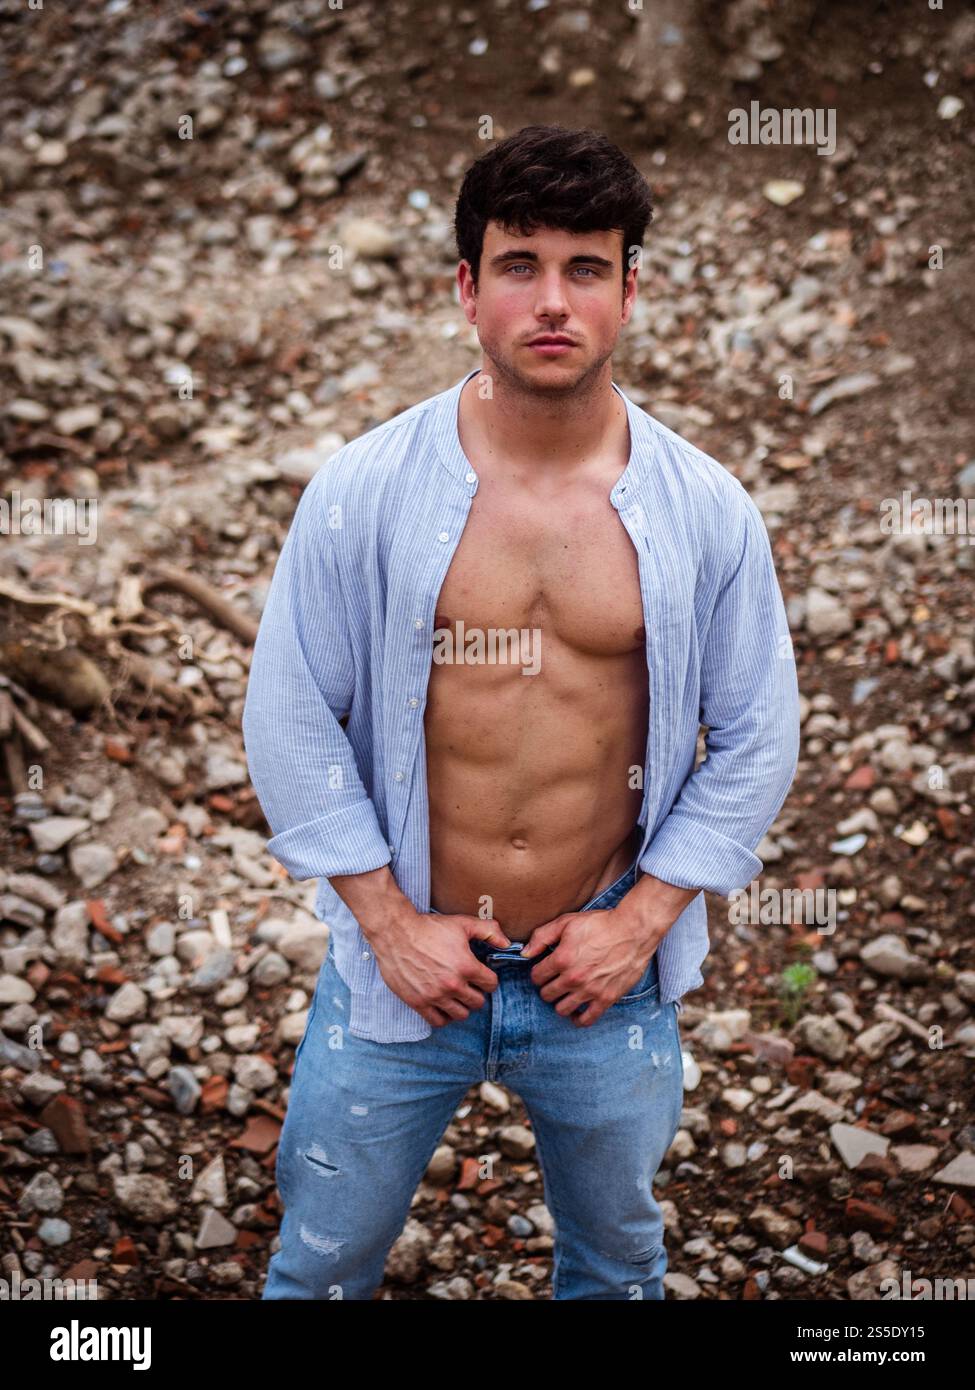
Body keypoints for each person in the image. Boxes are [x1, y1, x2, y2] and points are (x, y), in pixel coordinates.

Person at [242, 124, 801, 1300]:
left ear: (630, 292)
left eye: (586, 268)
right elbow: (289, 711)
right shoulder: (365, 490)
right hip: (402, 971)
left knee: (616, 1264)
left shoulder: (703, 510)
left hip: (599, 975)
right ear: (466, 287)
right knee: (323, 1261)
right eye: (519, 264)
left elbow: (758, 732)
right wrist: (386, 922)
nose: (553, 300)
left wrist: (641, 922)